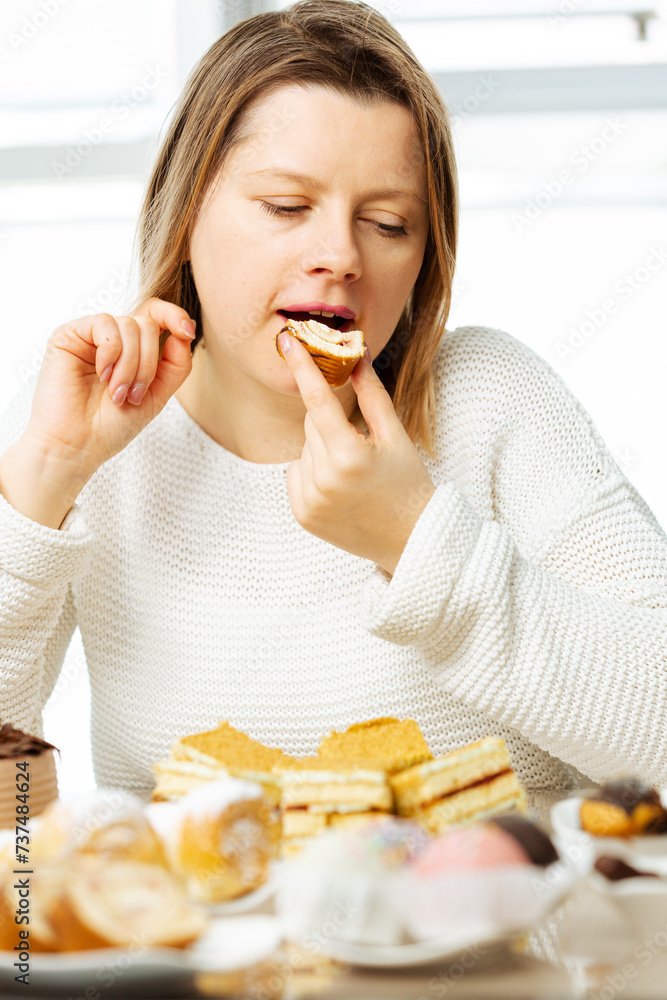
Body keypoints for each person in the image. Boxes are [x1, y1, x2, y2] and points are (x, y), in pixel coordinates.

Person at [1, 0, 666, 802]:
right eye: (285, 207)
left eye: (388, 223)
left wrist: (414, 539)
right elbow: (14, 813)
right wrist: (43, 480)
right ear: (185, 216)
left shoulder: (489, 397)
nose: (339, 256)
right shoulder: (103, 446)